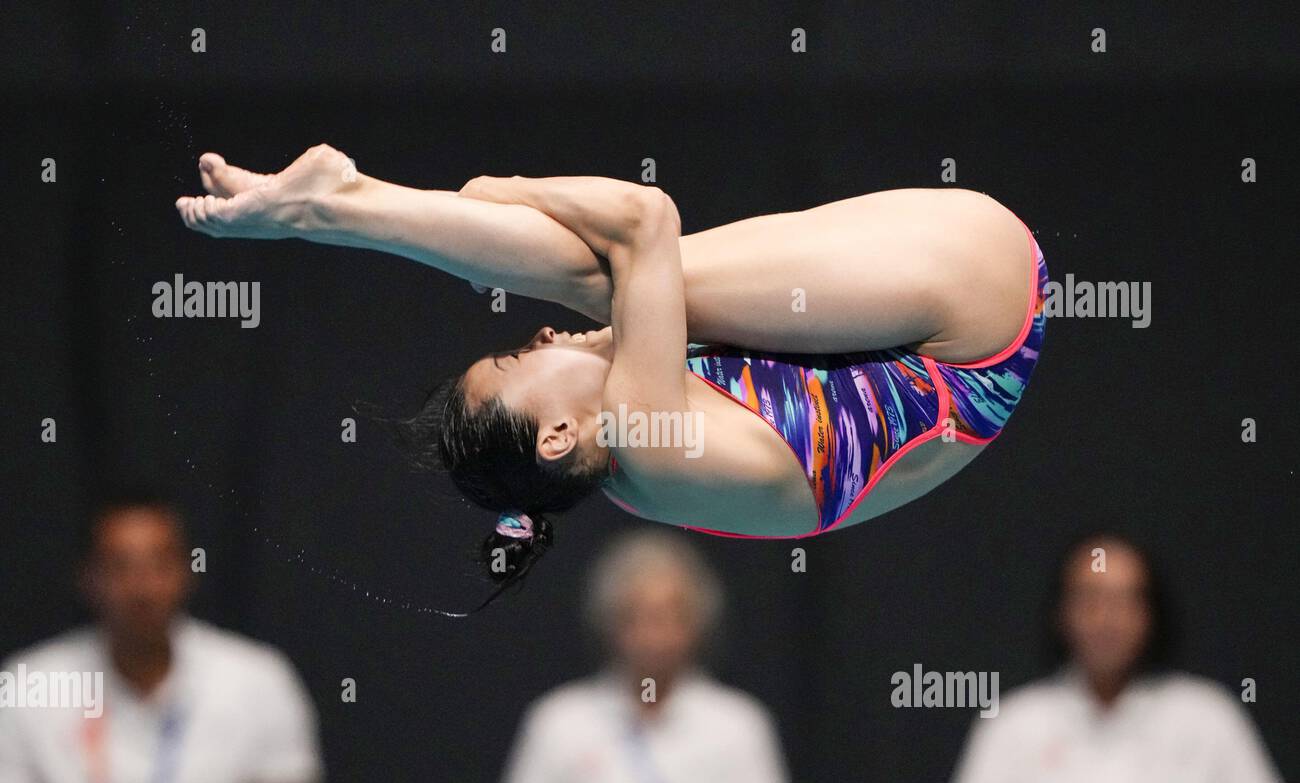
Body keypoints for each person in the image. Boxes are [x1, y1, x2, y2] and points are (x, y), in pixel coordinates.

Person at [175, 145, 1047, 600]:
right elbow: (643, 214)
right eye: (519, 360)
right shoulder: (641, 431)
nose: (536, 342)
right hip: (972, 315)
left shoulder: (630, 461)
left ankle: (339, 205)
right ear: (557, 434)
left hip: (956, 328)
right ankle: (336, 205)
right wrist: (499, 187)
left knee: (606, 287)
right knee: (603, 274)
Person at [0, 487, 325, 783]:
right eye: (120, 566)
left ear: (187, 571)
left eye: (159, 563)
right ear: (88, 577)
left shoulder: (256, 678)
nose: (142, 587)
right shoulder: (27, 684)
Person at [938, 532, 1294, 783]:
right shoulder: (1014, 720)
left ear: (1150, 614)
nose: (1108, 620)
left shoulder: (1207, 714)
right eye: (1091, 600)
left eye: (1125, 600)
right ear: (1061, 612)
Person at [496, 529, 793, 783]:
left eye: (670, 617)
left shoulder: (740, 724)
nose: (654, 636)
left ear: (699, 622)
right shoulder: (557, 720)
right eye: (637, 617)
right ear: (609, 621)